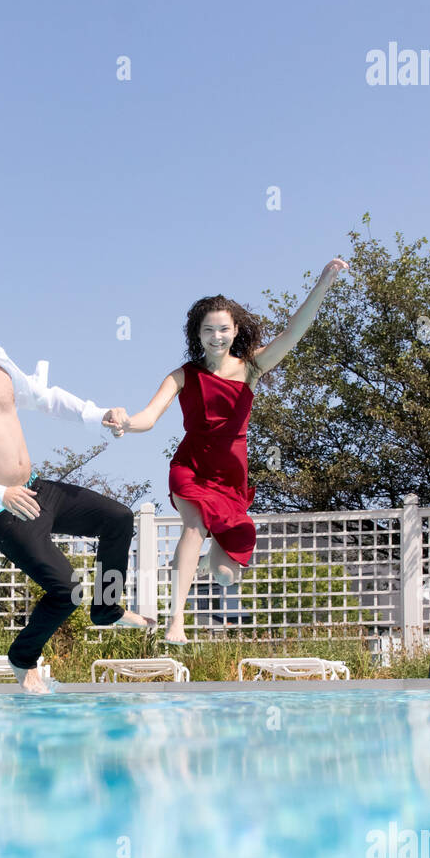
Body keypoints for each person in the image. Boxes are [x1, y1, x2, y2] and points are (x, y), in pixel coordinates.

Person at [0, 288, 156, 694]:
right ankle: (23, 657)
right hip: (1, 510)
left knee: (119, 519)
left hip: (35, 490)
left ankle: (106, 607)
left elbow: (45, 399)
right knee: (67, 589)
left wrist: (97, 414)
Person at [102, 259, 349, 643]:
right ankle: (176, 622)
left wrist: (323, 283)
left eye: (223, 329)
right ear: (197, 334)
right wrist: (124, 421)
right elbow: (148, 417)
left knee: (225, 575)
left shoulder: (252, 368)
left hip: (230, 476)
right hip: (191, 466)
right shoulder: (183, 374)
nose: (216, 336)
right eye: (208, 330)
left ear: (235, 331)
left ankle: (197, 561)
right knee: (194, 525)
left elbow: (293, 334)